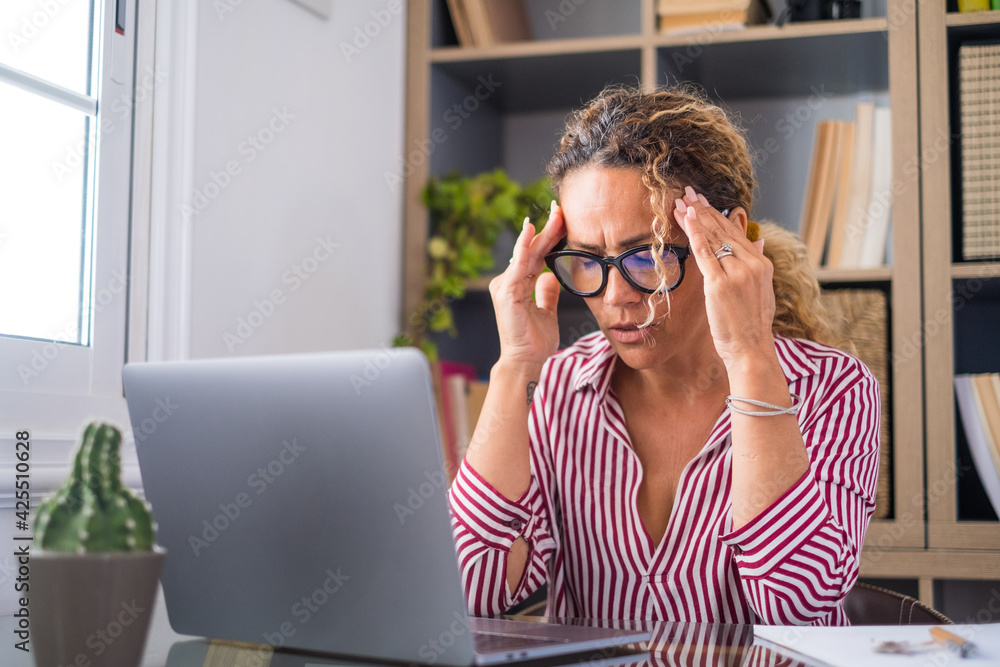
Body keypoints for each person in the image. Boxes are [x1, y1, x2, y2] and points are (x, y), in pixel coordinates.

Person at [446, 85, 880, 625]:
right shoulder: (555, 389)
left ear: (729, 242)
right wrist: (515, 366)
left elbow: (793, 604)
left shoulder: (831, 388)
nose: (614, 296)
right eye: (588, 259)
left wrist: (750, 356)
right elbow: (473, 591)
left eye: (647, 257)